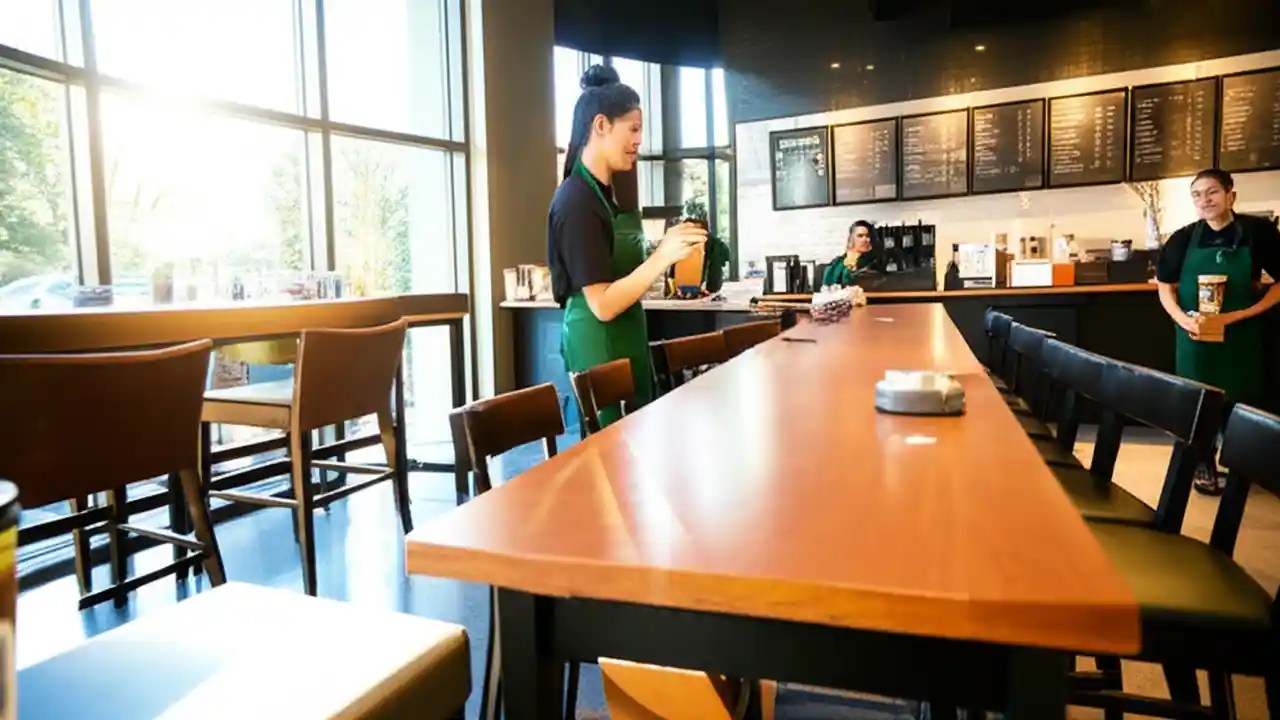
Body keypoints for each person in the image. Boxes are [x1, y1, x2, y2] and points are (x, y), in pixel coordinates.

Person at [548, 65, 707, 427]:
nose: (639, 141)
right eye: (633, 129)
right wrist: (661, 257)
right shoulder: (576, 200)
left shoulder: (604, 194)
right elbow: (602, 305)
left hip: (626, 338)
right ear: (601, 125)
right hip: (599, 343)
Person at [1156, 168, 1280, 494]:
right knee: (1199, 403)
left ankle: (1243, 467)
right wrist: (1183, 320)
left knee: (1242, 401)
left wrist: (1242, 313)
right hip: (1196, 338)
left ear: (1230, 195)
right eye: (1197, 195)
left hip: (1242, 335)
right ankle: (1204, 464)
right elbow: (1165, 287)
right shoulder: (1183, 238)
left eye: (1212, 192)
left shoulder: (1258, 232)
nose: (1204, 200)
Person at [821, 220, 880, 287]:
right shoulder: (838, 262)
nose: (865, 240)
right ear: (852, 239)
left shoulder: (875, 263)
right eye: (860, 236)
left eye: (867, 236)